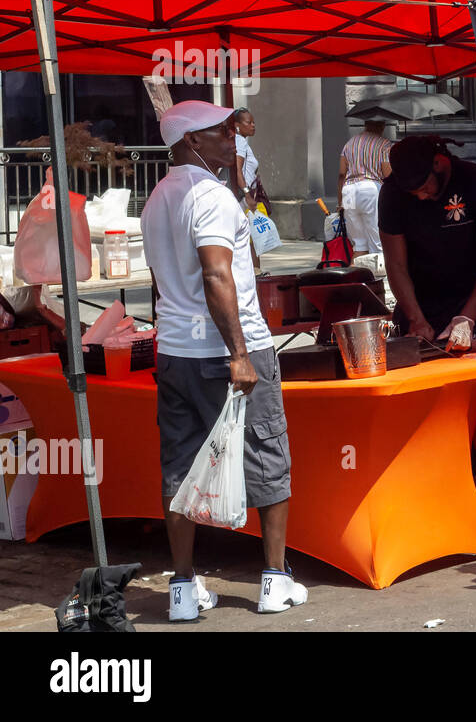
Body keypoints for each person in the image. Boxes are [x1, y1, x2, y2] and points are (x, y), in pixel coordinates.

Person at [140, 101, 307, 621]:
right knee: (266, 456)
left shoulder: (158, 197)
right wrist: (239, 353)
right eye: (221, 131)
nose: (231, 138)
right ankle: (275, 579)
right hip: (226, 349)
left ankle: (184, 589)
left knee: (181, 466)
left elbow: (166, 280)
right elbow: (217, 275)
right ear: (193, 142)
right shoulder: (209, 197)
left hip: (177, 352)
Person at [378, 135, 476, 350]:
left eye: (424, 187)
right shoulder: (392, 193)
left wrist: (467, 317)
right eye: (412, 193)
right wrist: (415, 318)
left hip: (470, 297)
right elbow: (396, 264)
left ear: (439, 163)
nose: (420, 197)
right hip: (416, 304)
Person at [338, 118, 393, 255]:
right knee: (378, 242)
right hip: (370, 189)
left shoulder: (349, 144)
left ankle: (355, 275)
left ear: (365, 125)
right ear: (382, 126)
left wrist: (340, 201)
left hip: (348, 191)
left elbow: (341, 173)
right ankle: (378, 275)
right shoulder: (384, 144)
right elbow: (388, 175)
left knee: (359, 244)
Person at [232, 108, 265, 272]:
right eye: (248, 122)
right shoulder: (240, 142)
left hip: (246, 195)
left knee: (253, 237)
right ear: (237, 125)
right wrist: (246, 193)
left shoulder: (241, 141)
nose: (253, 125)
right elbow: (237, 170)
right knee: (251, 237)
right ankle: (255, 273)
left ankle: (255, 272)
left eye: (253, 122)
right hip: (244, 198)